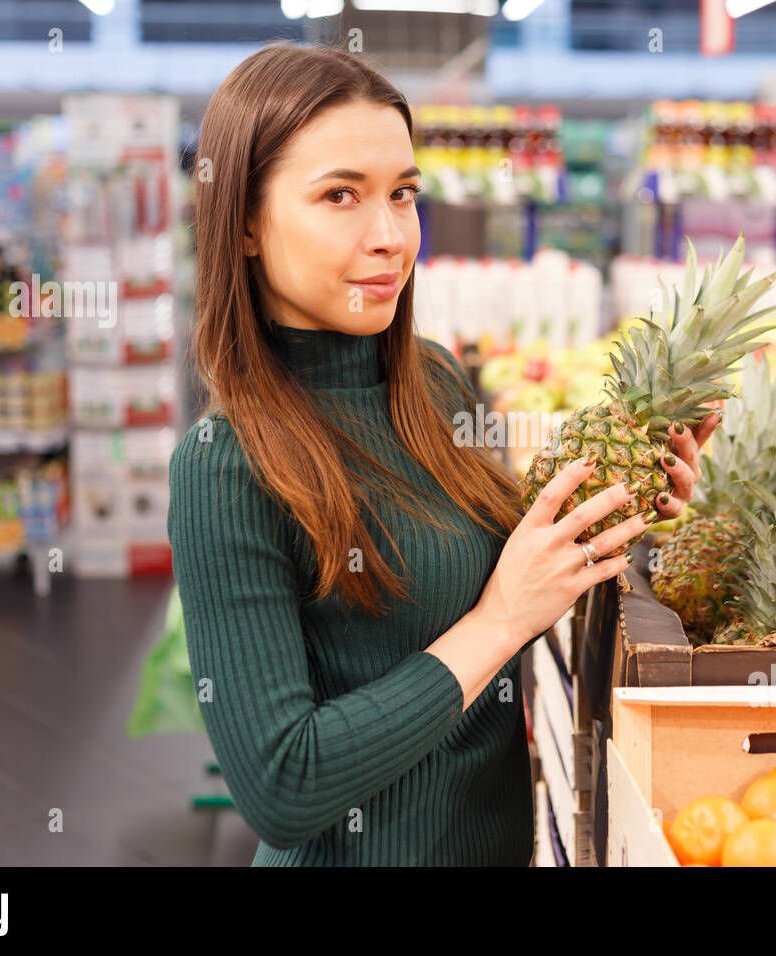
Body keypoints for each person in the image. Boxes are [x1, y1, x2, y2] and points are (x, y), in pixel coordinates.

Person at [167, 41, 717, 866]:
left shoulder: (434, 383)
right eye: (340, 196)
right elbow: (283, 784)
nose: (390, 235)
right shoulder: (224, 465)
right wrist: (499, 623)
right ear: (244, 222)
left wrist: (623, 504)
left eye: (403, 194)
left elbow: (493, 577)